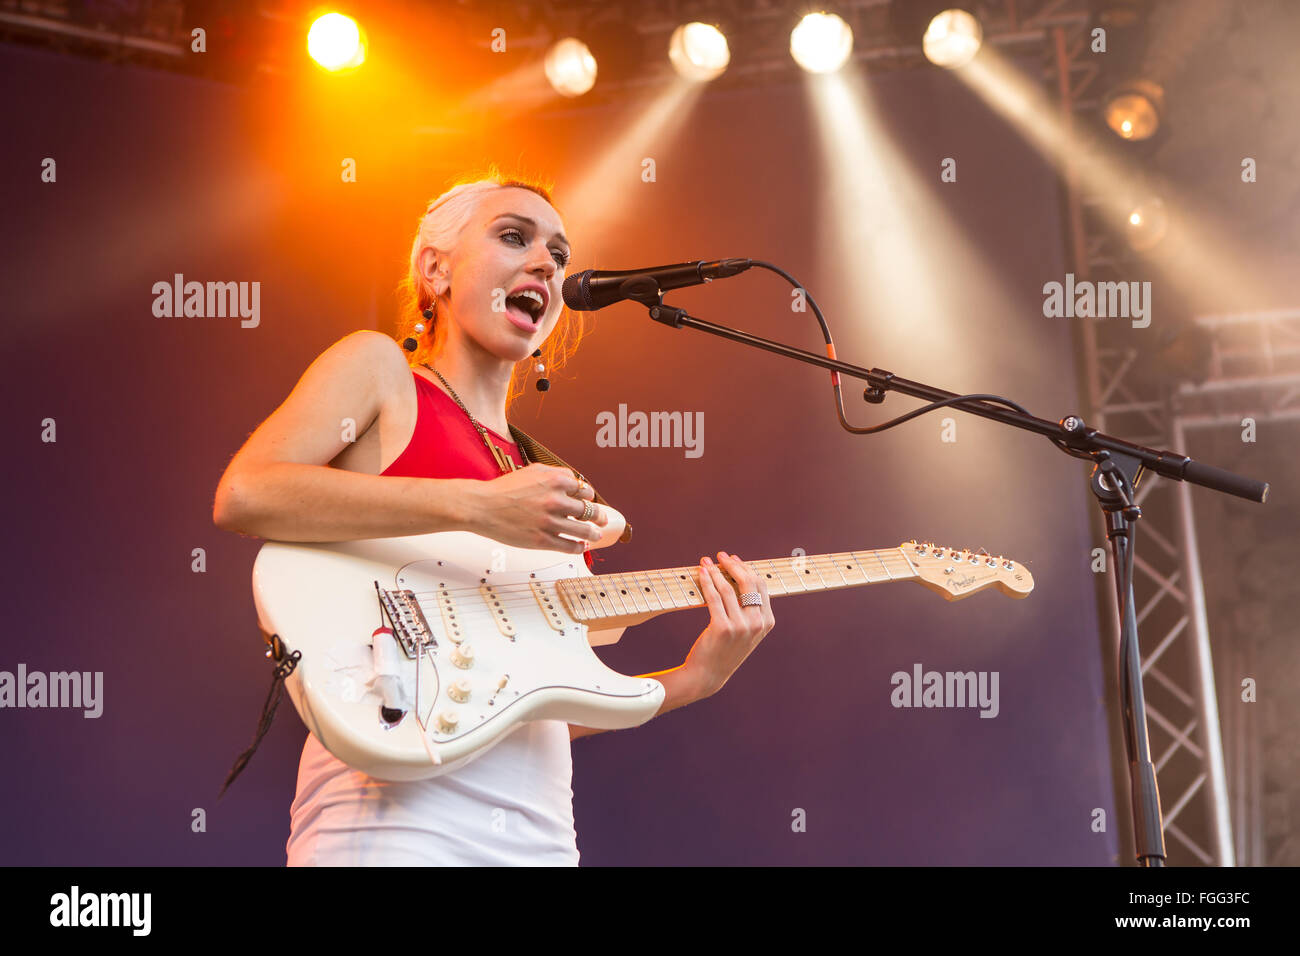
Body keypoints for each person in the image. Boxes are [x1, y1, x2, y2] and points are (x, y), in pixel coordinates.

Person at [212, 170, 775, 866]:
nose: (547, 263)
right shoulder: (381, 372)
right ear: (435, 269)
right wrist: (479, 506)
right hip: (391, 825)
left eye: (559, 255)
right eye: (515, 237)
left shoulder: (551, 488)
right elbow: (246, 494)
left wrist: (698, 678)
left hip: (537, 838)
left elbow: (536, 704)